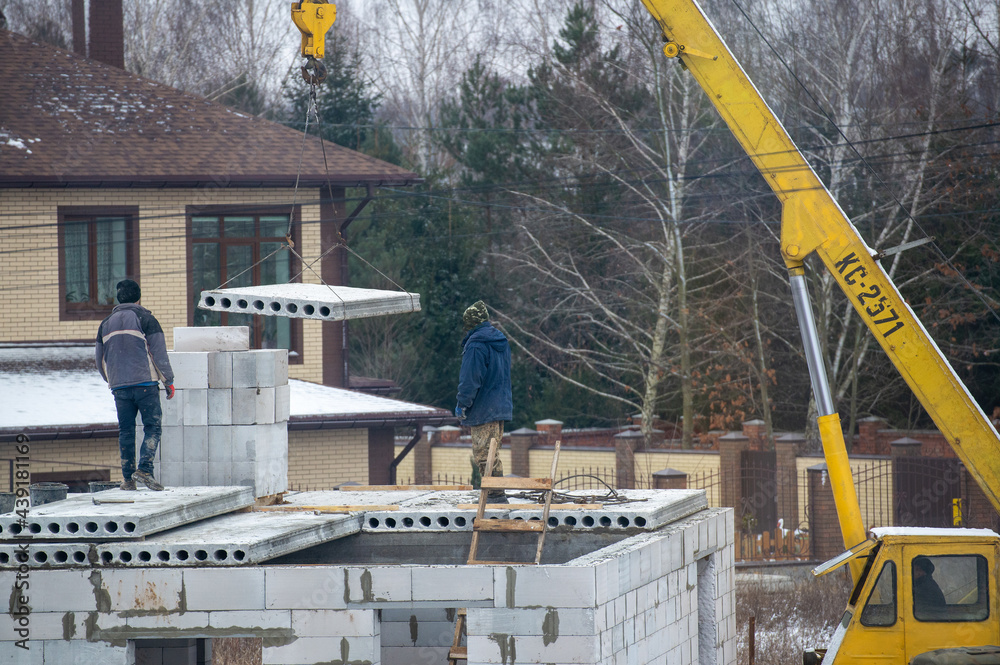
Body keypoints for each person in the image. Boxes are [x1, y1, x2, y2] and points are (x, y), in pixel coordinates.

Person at [95, 279, 174, 491]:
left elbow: (99, 359)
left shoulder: (105, 323)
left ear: (118, 298)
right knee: (152, 426)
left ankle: (128, 479)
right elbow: (158, 352)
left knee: (126, 431)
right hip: (145, 384)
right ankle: (145, 469)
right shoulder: (145, 318)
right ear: (139, 297)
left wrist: (112, 379)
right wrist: (168, 380)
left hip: (119, 387)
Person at [455, 300, 513, 503]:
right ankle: (494, 492)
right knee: (493, 452)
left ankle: (495, 496)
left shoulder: (476, 345)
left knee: (483, 455)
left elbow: (470, 378)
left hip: (483, 409)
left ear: (470, 324)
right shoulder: (500, 342)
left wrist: (463, 403)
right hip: (501, 405)